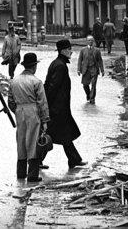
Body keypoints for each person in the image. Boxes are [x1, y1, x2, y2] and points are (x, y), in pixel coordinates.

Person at [42, 39, 85, 170]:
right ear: (63, 51)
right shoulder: (60, 66)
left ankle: (74, 159)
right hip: (58, 109)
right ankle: (36, 159)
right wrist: (48, 106)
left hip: (58, 107)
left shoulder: (57, 63)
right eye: (69, 49)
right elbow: (53, 87)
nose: (71, 51)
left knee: (61, 134)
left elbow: (48, 85)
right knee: (53, 134)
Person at [7, 52, 50, 182]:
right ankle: (32, 175)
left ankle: (20, 173)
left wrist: (18, 111)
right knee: (33, 142)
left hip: (20, 111)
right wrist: (45, 120)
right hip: (33, 111)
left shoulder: (14, 81)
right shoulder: (36, 81)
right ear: (34, 67)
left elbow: (10, 101)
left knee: (21, 140)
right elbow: (42, 103)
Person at [77, 35, 104, 103]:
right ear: (87, 41)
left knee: (93, 85)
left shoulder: (97, 50)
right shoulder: (83, 50)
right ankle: (88, 95)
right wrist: (78, 69)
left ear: (93, 41)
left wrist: (102, 70)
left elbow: (100, 60)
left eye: (92, 40)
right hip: (86, 70)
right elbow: (80, 60)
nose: (90, 41)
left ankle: (92, 99)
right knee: (85, 84)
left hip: (94, 69)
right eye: (89, 40)